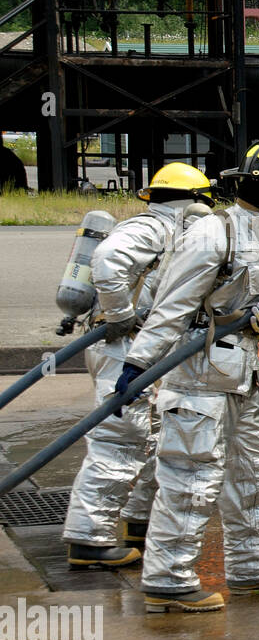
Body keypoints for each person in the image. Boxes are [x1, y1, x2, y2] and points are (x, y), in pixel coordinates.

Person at [118, 138, 259, 613]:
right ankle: (168, 581)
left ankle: (253, 567)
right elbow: (170, 308)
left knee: (255, 472)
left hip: (243, 378)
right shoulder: (213, 233)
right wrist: (138, 365)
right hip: (196, 378)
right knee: (189, 479)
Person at [62, 162, 214, 567]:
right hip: (121, 347)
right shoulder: (151, 227)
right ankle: (87, 540)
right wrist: (120, 315)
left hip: (140, 347)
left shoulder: (170, 230)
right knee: (119, 437)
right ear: (193, 201)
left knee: (154, 434)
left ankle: (138, 522)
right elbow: (108, 262)